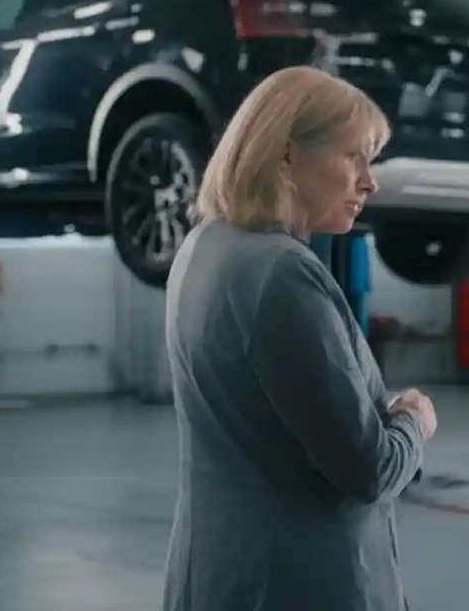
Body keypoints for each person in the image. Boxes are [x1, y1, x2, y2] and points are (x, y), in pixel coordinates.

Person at [161, 65, 437, 611]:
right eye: (352, 156)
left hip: (218, 570)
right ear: (285, 155)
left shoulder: (204, 247)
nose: (369, 180)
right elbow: (369, 468)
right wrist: (415, 423)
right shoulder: (281, 273)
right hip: (299, 583)